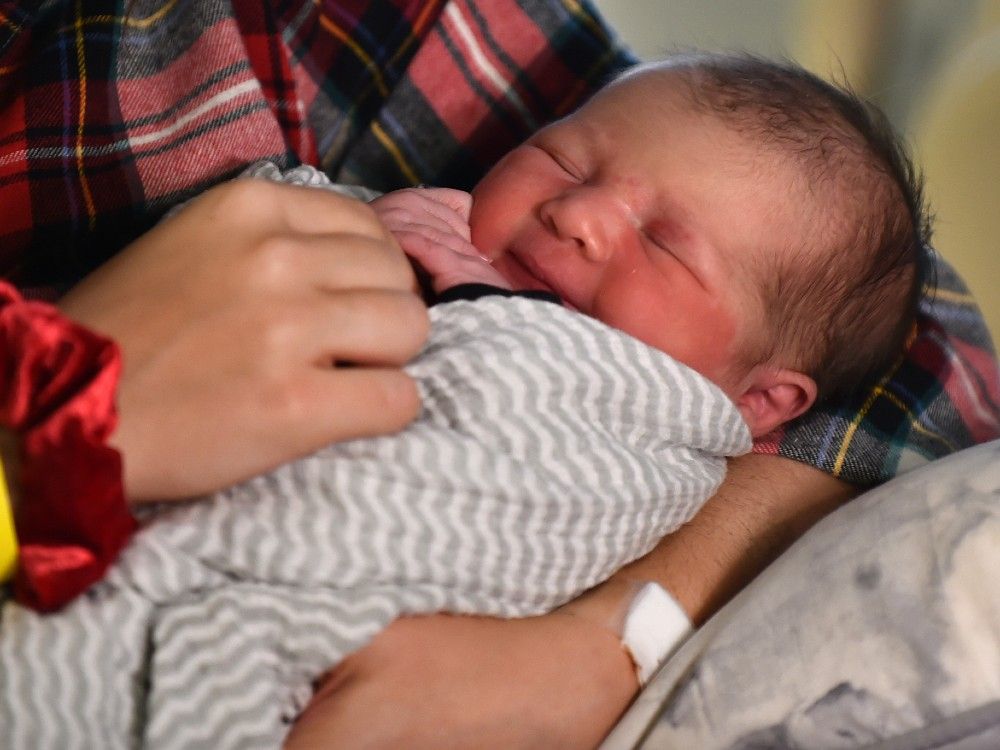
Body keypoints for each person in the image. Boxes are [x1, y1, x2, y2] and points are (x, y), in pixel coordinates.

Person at [0, 2, 996, 748]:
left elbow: (942, 395)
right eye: (560, 163)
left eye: (665, 244)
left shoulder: (680, 410)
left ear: (760, 402)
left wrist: (607, 643)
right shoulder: (423, 229)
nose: (579, 215)